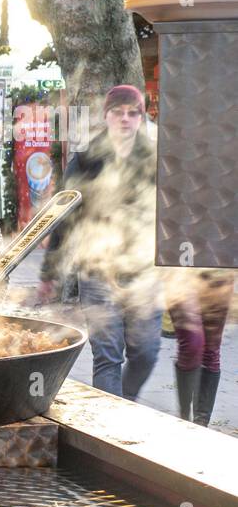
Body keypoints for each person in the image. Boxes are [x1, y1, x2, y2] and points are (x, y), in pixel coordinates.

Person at [40, 85, 161, 400]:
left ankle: (126, 402)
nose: (125, 119)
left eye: (132, 113)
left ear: (141, 117)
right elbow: (63, 216)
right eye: (118, 112)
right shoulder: (85, 158)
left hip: (143, 270)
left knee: (146, 352)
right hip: (96, 269)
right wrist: (49, 275)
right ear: (106, 116)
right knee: (107, 356)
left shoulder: (155, 159)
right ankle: (114, 421)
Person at [165, 268, 234, 427]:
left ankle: (201, 425)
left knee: (211, 348)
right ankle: (184, 417)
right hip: (181, 265)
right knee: (192, 344)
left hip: (219, 265)